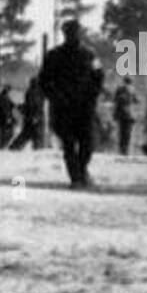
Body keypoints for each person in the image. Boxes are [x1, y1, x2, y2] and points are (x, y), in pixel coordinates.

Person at [39, 19, 104, 188]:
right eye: (70, 32)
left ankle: (81, 170)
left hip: (84, 106)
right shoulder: (53, 56)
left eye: (76, 32)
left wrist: (92, 97)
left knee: (87, 144)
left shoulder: (90, 54)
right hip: (63, 107)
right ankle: (76, 178)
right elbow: (44, 81)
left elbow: (99, 77)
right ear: (65, 34)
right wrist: (54, 97)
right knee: (68, 144)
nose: (73, 35)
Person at [113, 77, 138, 156]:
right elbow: (136, 101)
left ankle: (121, 149)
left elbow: (115, 101)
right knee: (128, 133)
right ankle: (126, 150)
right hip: (129, 114)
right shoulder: (132, 90)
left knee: (121, 132)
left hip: (121, 114)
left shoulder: (119, 89)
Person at [0, 82, 17, 149]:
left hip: (3, 118)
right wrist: (8, 118)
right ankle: (2, 145)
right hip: (3, 118)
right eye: (8, 89)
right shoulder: (2, 97)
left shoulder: (5, 97)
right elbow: (5, 109)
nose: (9, 91)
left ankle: (2, 145)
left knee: (6, 132)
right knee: (6, 132)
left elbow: (12, 105)